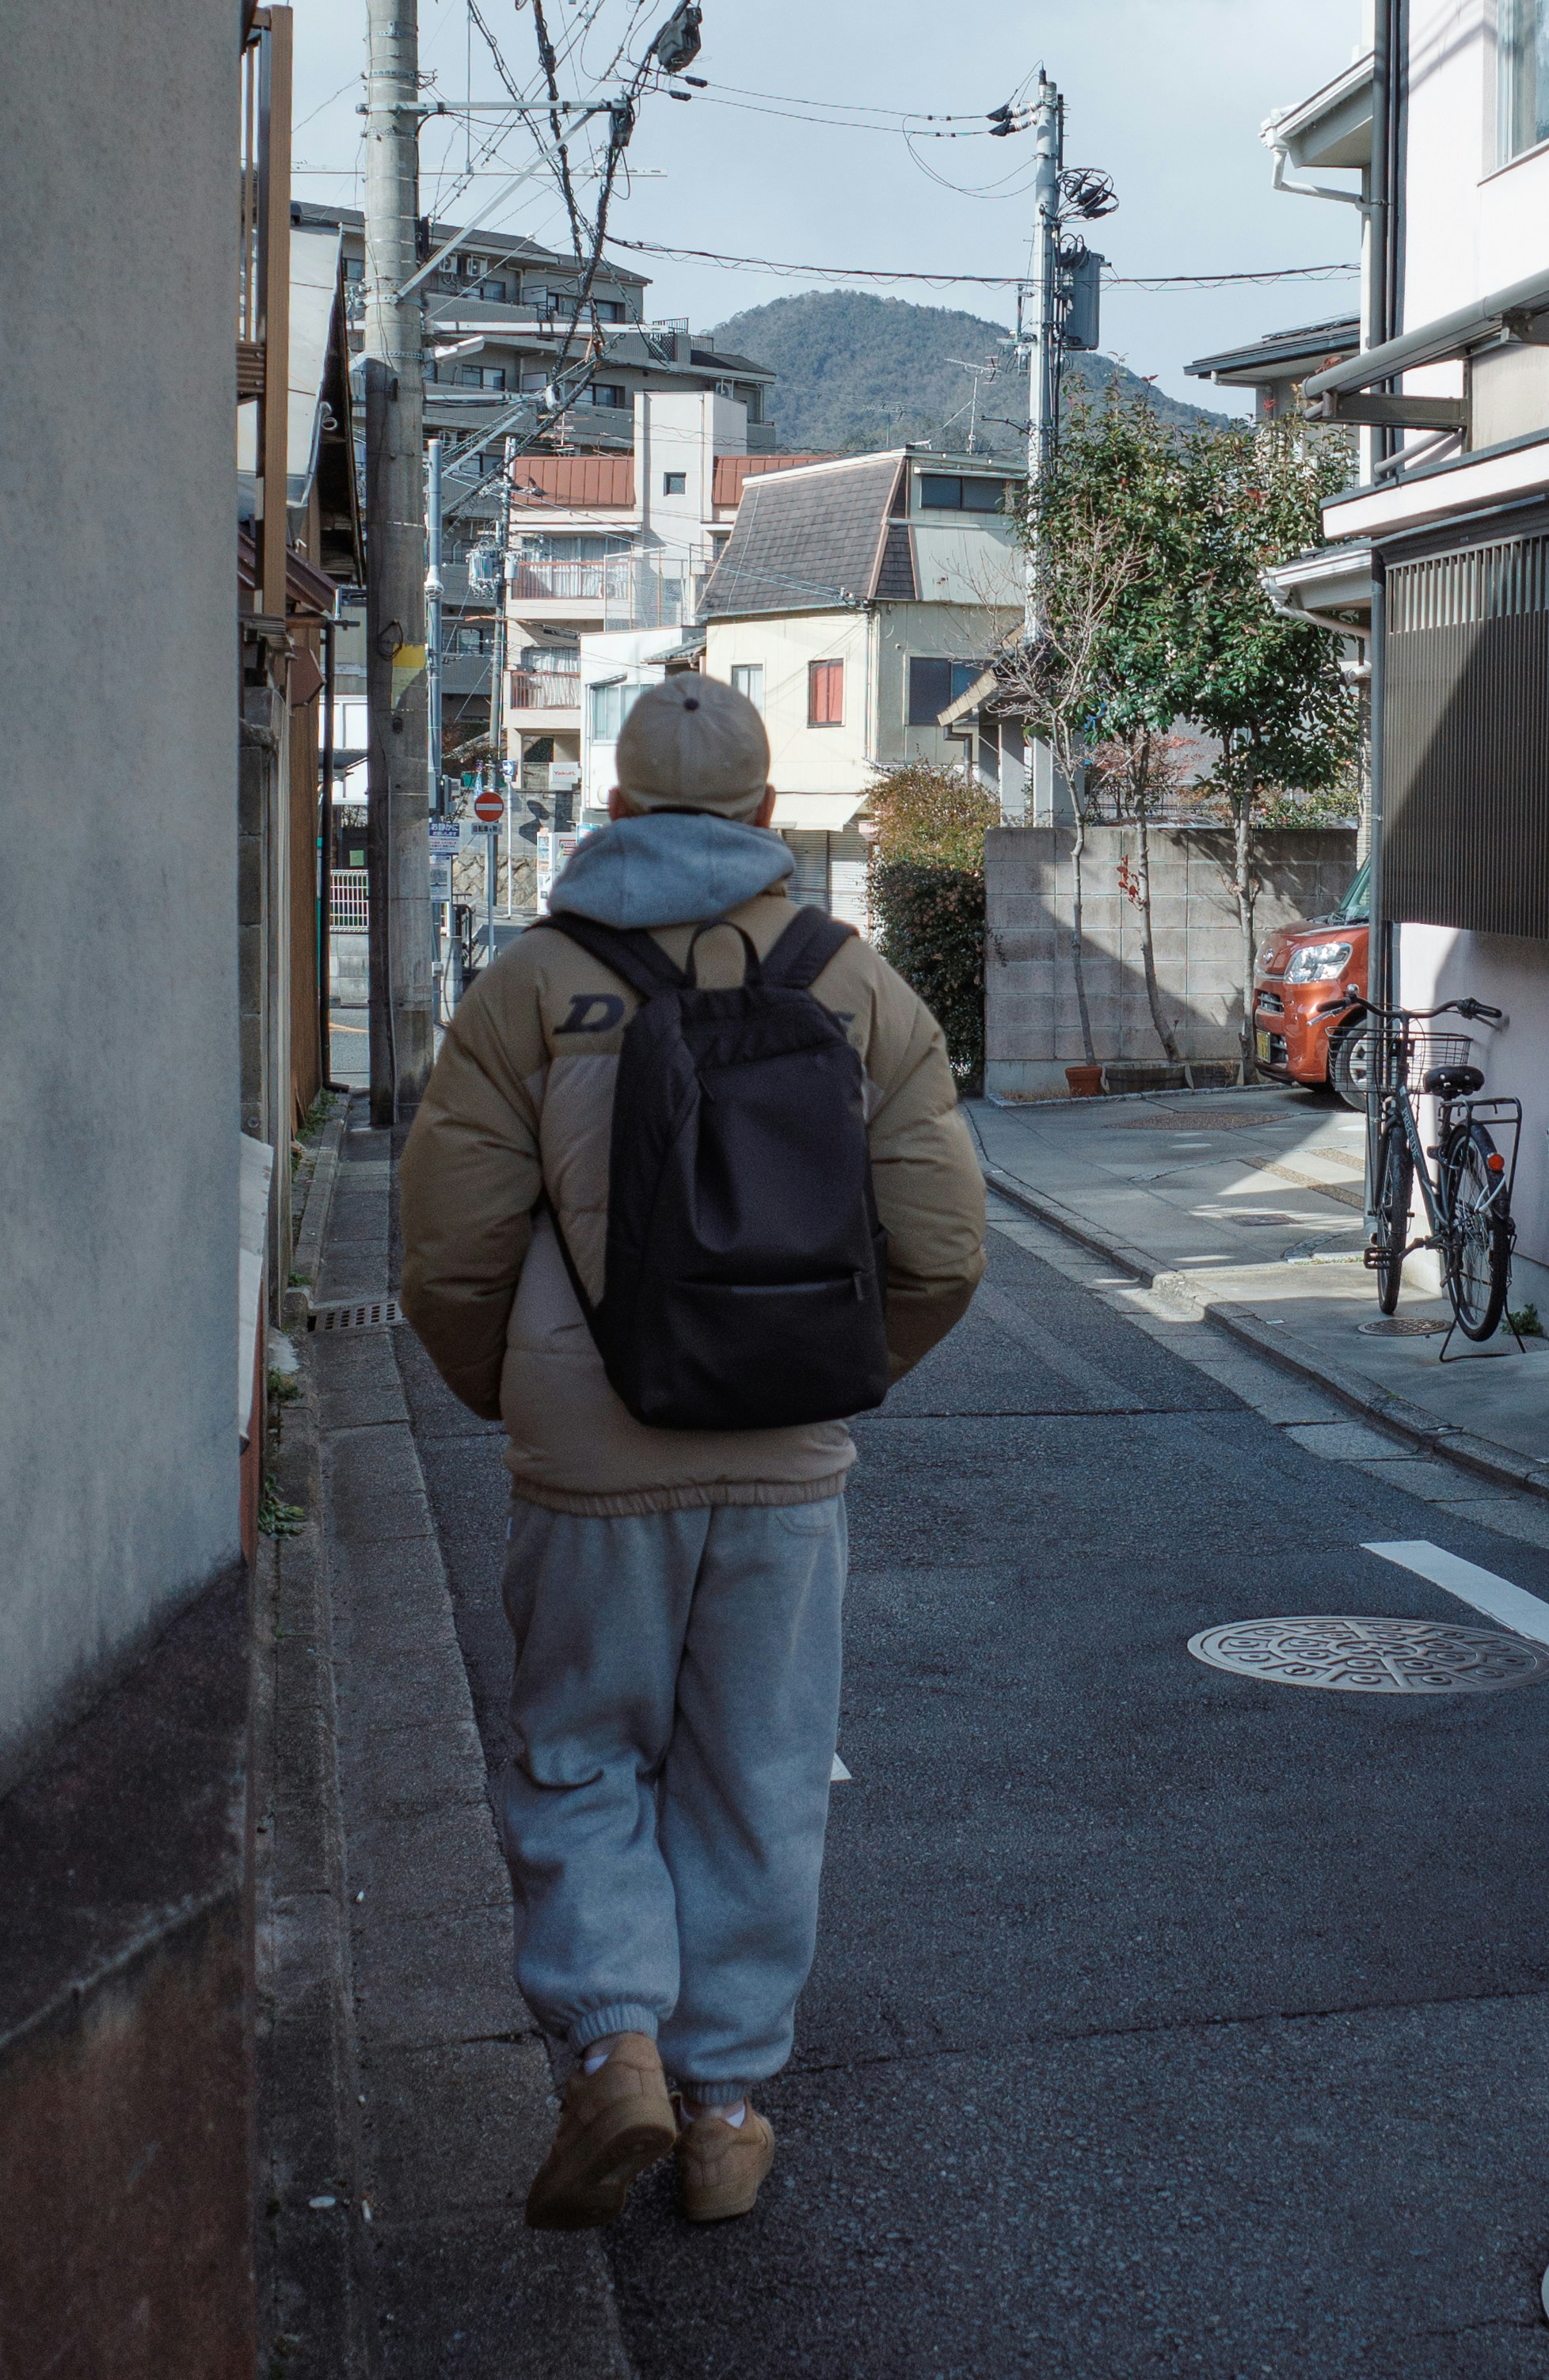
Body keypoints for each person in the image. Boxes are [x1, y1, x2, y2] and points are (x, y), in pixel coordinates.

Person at [399, 674, 984, 2230]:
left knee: (581, 1748)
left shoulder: (530, 981)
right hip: (785, 1447)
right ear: (768, 816)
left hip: (588, 1451)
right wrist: (825, 1383)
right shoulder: (853, 982)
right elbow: (941, 1245)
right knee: (761, 1769)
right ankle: (726, 2112)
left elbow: (451, 1250)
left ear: (610, 809)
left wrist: (519, 1397)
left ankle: (616, 2049)